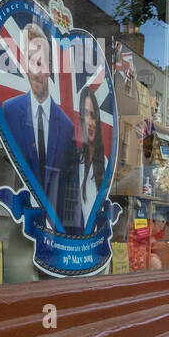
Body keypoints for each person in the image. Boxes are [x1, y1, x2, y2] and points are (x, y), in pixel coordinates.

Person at [2, 22, 77, 232]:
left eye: (41, 62)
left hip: (52, 229)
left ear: (50, 68)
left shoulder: (66, 127)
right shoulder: (9, 111)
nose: (36, 72)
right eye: (31, 62)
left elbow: (67, 184)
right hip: (13, 222)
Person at [73, 84, 108, 234]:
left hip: (97, 241)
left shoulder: (105, 163)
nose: (90, 122)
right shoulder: (76, 160)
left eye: (93, 115)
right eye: (86, 114)